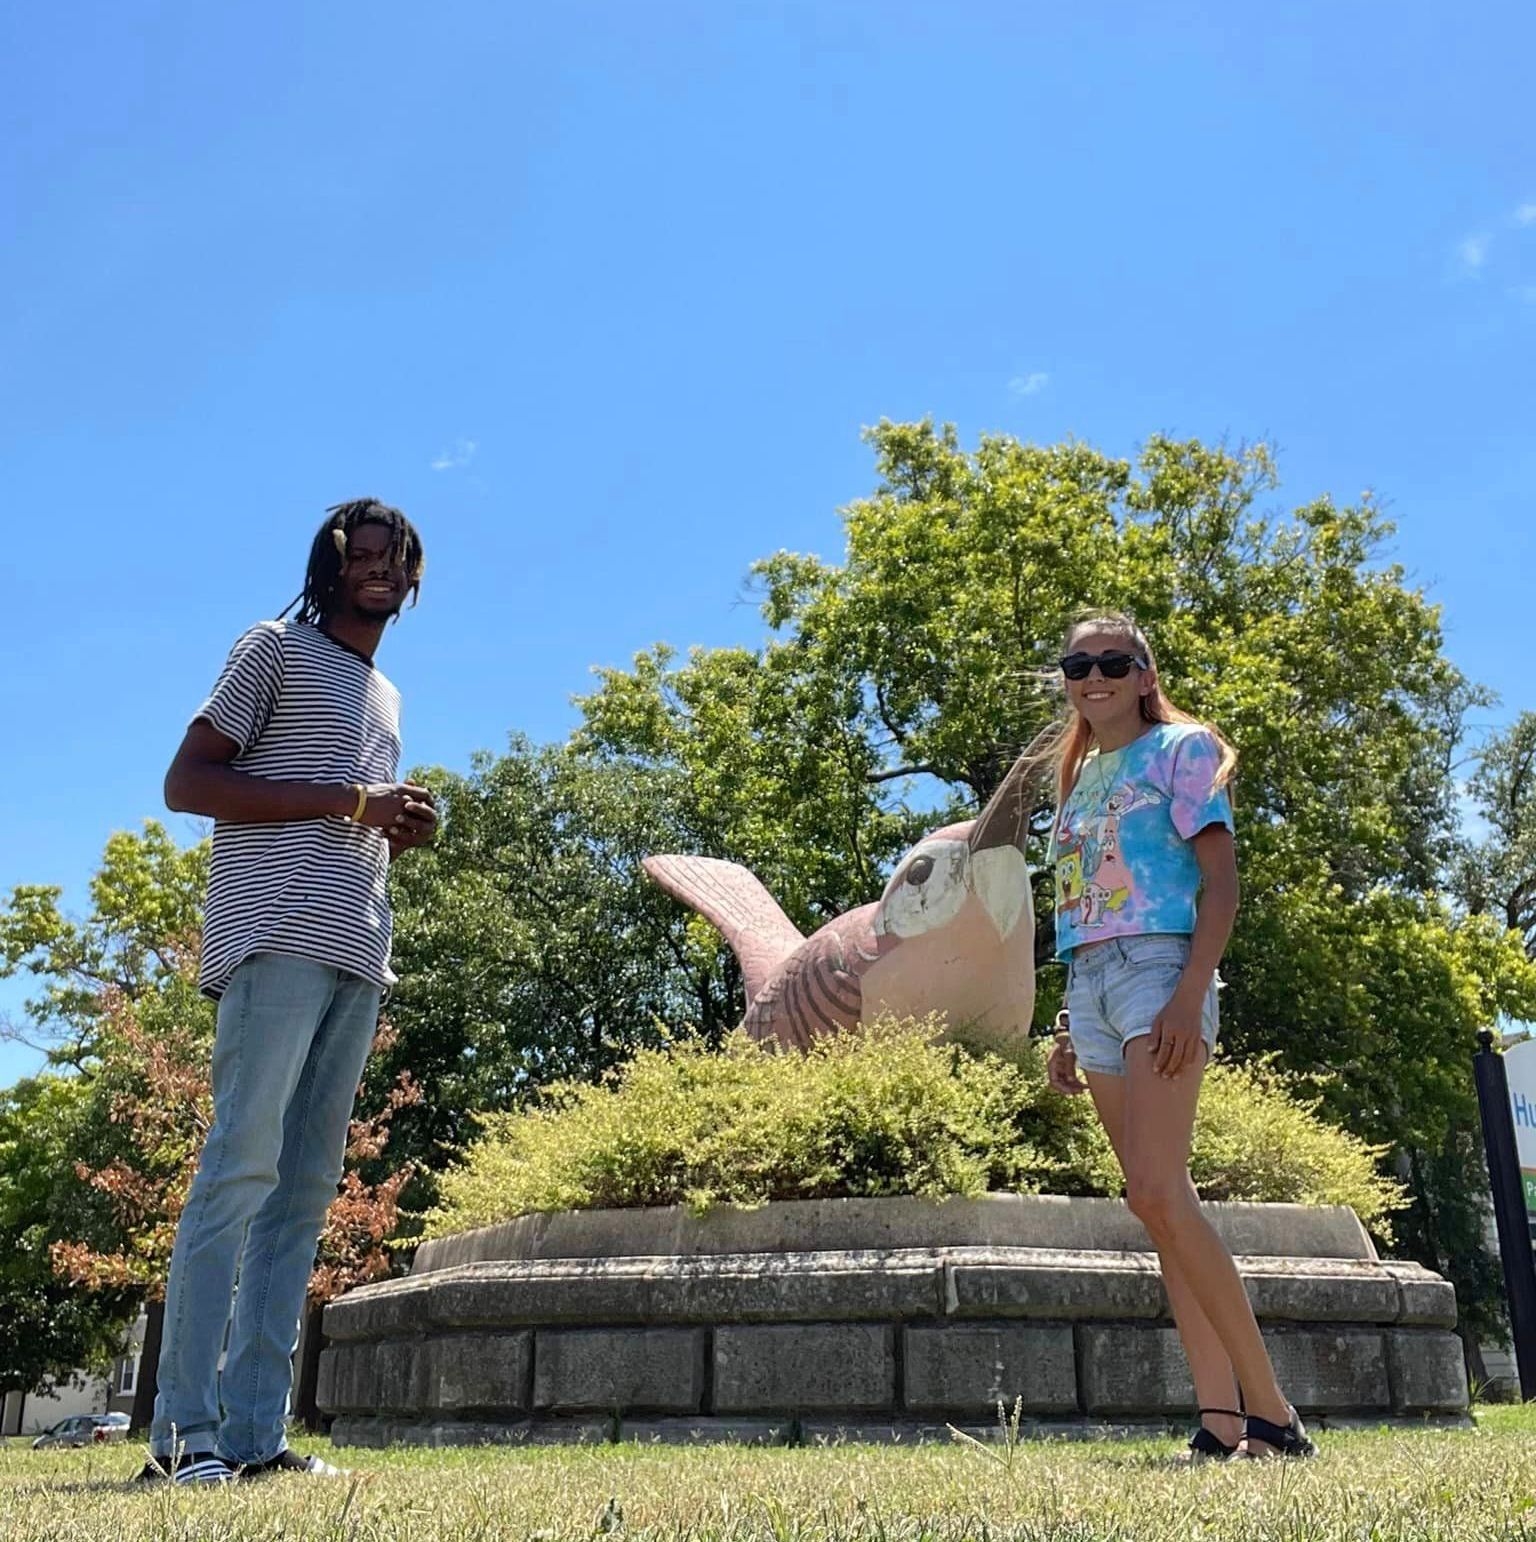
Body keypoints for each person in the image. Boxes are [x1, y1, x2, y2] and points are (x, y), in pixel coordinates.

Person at [137, 499, 438, 1484]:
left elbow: (346, 801)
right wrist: (351, 800)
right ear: (329, 563)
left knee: (304, 1195)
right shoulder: (271, 647)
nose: (378, 568)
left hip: (357, 949)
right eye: (361, 554)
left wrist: (394, 824)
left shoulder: (384, 694)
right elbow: (190, 782)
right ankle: (183, 1436)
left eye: (395, 556)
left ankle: (257, 1439)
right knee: (240, 1176)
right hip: (272, 941)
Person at [1041, 610, 1315, 1461]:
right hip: (1091, 986)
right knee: (1157, 1210)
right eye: (1079, 664)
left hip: (1161, 973)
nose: (1095, 676)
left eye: (1114, 662)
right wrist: (1062, 1024)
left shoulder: (1184, 749)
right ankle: (1219, 1420)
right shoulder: (1078, 774)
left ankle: (1273, 1413)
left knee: (1159, 1193)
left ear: (1145, 675)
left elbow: (1221, 884)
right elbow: (1081, 899)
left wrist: (1188, 994)